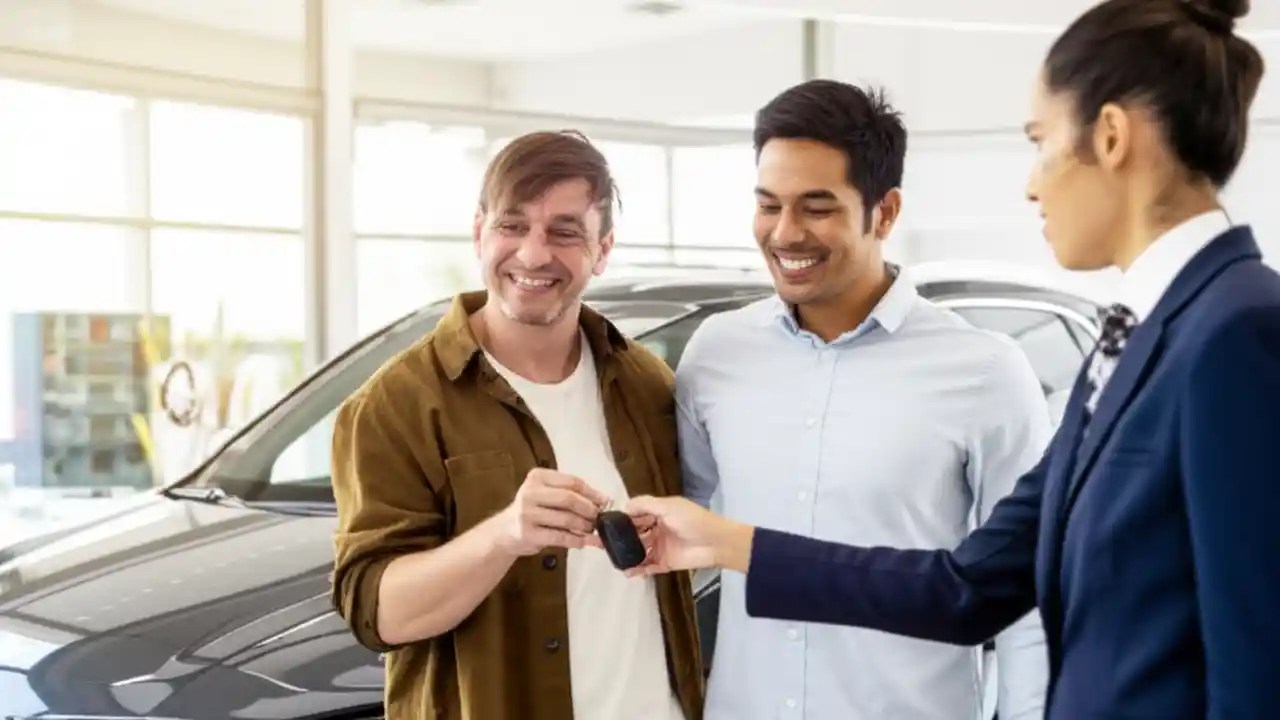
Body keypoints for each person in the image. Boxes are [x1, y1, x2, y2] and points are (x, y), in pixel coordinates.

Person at [616, 0, 1280, 718]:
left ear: (1112, 136)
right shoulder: (1141, 335)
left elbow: (1259, 665)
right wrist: (731, 543)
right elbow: (965, 588)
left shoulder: (1238, 330)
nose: (1031, 183)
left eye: (1039, 140)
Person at [673, 79, 1050, 719]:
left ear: (886, 212)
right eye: (769, 205)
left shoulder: (984, 371)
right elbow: (684, 540)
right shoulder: (717, 352)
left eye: (817, 208)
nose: (785, 234)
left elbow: (1029, 598)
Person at [329, 130, 703, 720]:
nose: (533, 254)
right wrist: (504, 536)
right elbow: (379, 614)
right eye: (513, 225)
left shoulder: (645, 383)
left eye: (564, 231)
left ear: (602, 249)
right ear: (479, 231)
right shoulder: (396, 405)